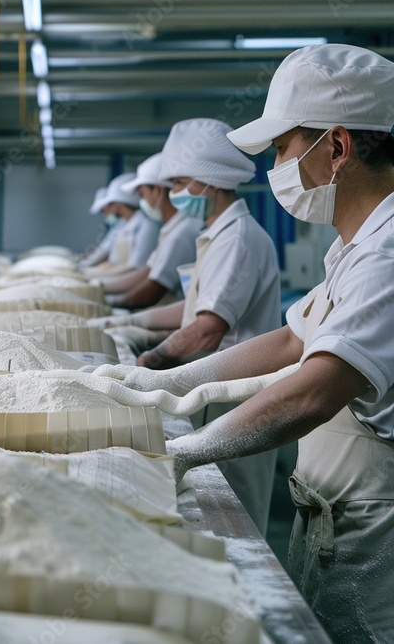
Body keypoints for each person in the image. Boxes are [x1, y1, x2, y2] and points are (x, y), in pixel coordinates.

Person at [122, 44, 394, 643]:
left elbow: (313, 392)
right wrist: (162, 384)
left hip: (382, 524)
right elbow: (287, 341)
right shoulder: (355, 246)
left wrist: (187, 451)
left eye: (281, 147)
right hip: (335, 508)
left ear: (338, 148)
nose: (276, 168)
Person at [111, 118, 282, 533]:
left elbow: (207, 329)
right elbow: (190, 310)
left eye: (182, 182)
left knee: (233, 514)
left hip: (234, 397)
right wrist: (131, 324)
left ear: (209, 182)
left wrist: (152, 362)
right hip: (210, 388)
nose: (175, 194)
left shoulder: (237, 239)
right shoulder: (217, 235)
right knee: (210, 506)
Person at [97, 153, 204, 310]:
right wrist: (99, 286)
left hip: (174, 311)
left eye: (142, 194)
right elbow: (147, 270)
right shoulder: (170, 228)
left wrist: (107, 300)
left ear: (158, 190)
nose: (142, 201)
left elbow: (153, 290)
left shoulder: (182, 233)